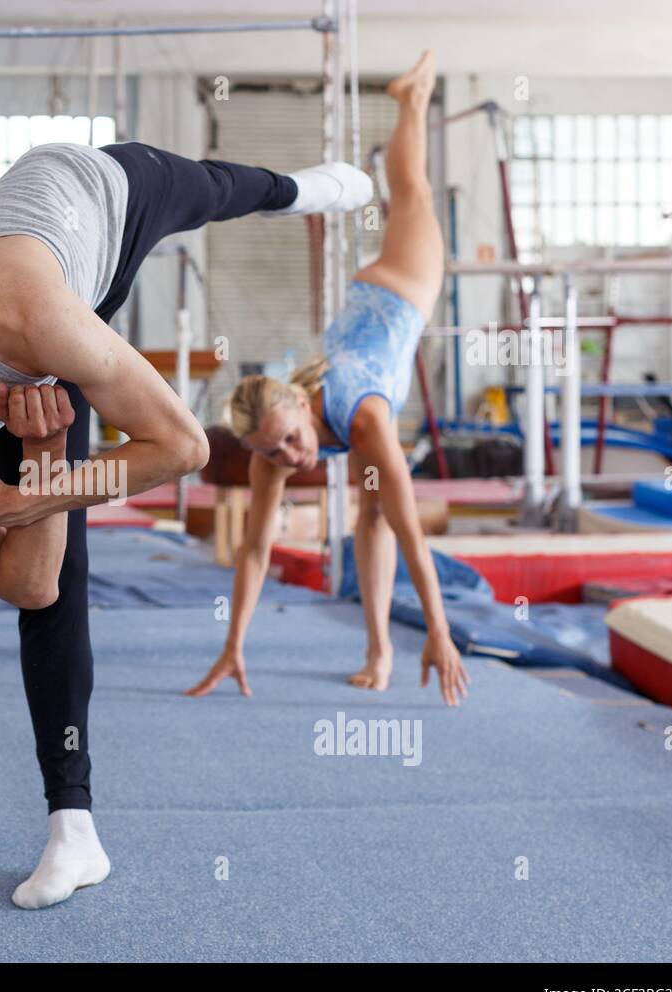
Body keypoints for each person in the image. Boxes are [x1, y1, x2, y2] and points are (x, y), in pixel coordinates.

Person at [0, 136, 373, 908]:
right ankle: (73, 829)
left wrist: (25, 499)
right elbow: (30, 584)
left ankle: (302, 186)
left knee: (218, 190)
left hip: (93, 201)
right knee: (61, 557)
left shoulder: (25, 318)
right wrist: (46, 462)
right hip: (38, 363)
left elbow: (182, 446)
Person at [187, 51, 470, 708]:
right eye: (275, 454)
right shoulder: (270, 452)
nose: (293, 459)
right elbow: (254, 553)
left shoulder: (363, 420)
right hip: (363, 306)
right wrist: (233, 643)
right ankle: (377, 651)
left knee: (414, 193)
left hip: (401, 291)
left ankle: (412, 97)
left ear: (301, 406)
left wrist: (440, 631)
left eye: (290, 441)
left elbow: (411, 531)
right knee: (366, 510)